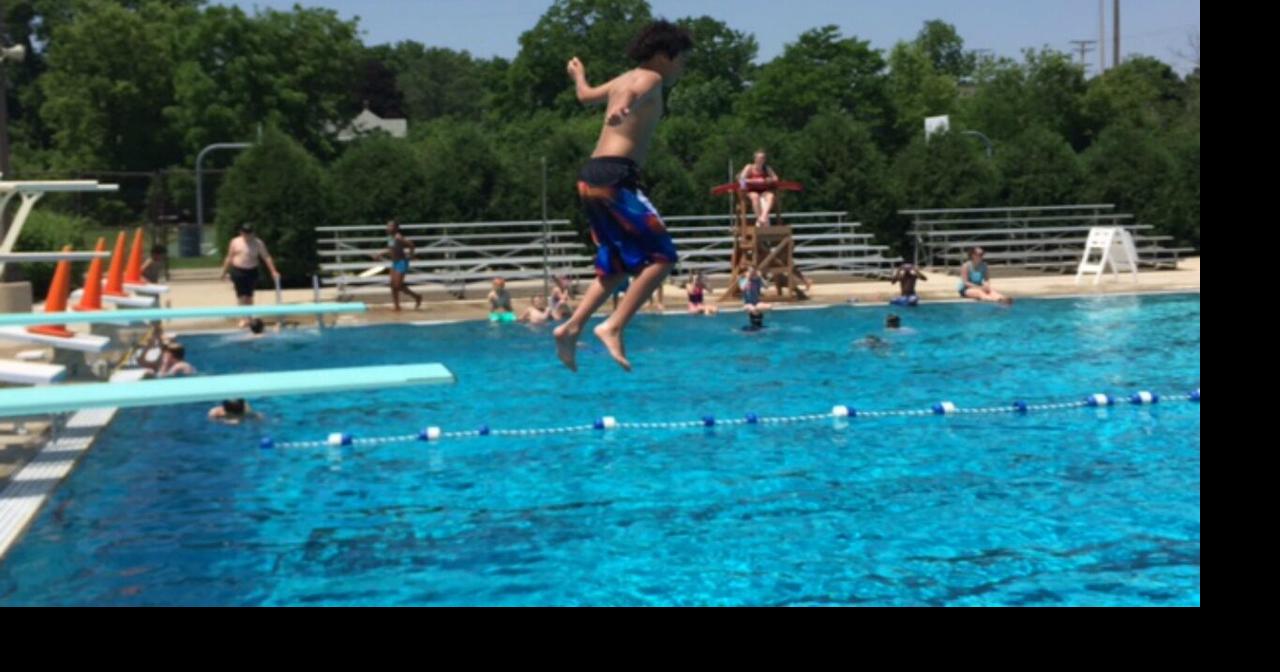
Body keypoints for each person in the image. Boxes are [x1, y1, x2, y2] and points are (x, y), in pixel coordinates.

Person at [553, 20, 693, 372]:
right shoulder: (651, 78)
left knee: (615, 266)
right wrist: (624, 105)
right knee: (663, 257)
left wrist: (578, 75)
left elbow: (585, 97)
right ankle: (612, 325)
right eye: (682, 60)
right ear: (665, 56)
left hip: (591, 177)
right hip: (616, 177)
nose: (683, 67)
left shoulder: (621, 78)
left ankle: (571, 327)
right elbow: (639, 90)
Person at [219, 223, 281, 327]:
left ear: (253, 233)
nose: (247, 236)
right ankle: (243, 318)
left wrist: (273, 271)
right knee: (241, 295)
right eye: (245, 233)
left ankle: (250, 317)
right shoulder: (235, 242)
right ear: (241, 233)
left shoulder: (258, 243)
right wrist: (224, 272)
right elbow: (229, 257)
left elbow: (266, 257)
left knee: (249, 295)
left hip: (252, 270)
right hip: (238, 270)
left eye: (249, 233)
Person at [375, 219, 422, 311]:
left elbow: (411, 245)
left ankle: (416, 296)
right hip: (394, 262)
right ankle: (396, 306)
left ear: (396, 228)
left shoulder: (398, 237)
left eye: (390, 226)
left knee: (398, 285)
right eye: (387, 225)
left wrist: (410, 256)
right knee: (393, 285)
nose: (388, 227)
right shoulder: (390, 237)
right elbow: (390, 249)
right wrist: (380, 253)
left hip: (401, 262)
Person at [739, 150, 780, 227]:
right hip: (751, 190)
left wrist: (770, 179)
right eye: (760, 158)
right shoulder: (749, 167)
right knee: (755, 197)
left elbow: (776, 178)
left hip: (764, 190)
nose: (761, 160)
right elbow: (741, 179)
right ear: (755, 159)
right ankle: (759, 219)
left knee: (771, 196)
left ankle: (763, 216)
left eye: (763, 158)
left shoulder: (767, 168)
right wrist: (754, 180)